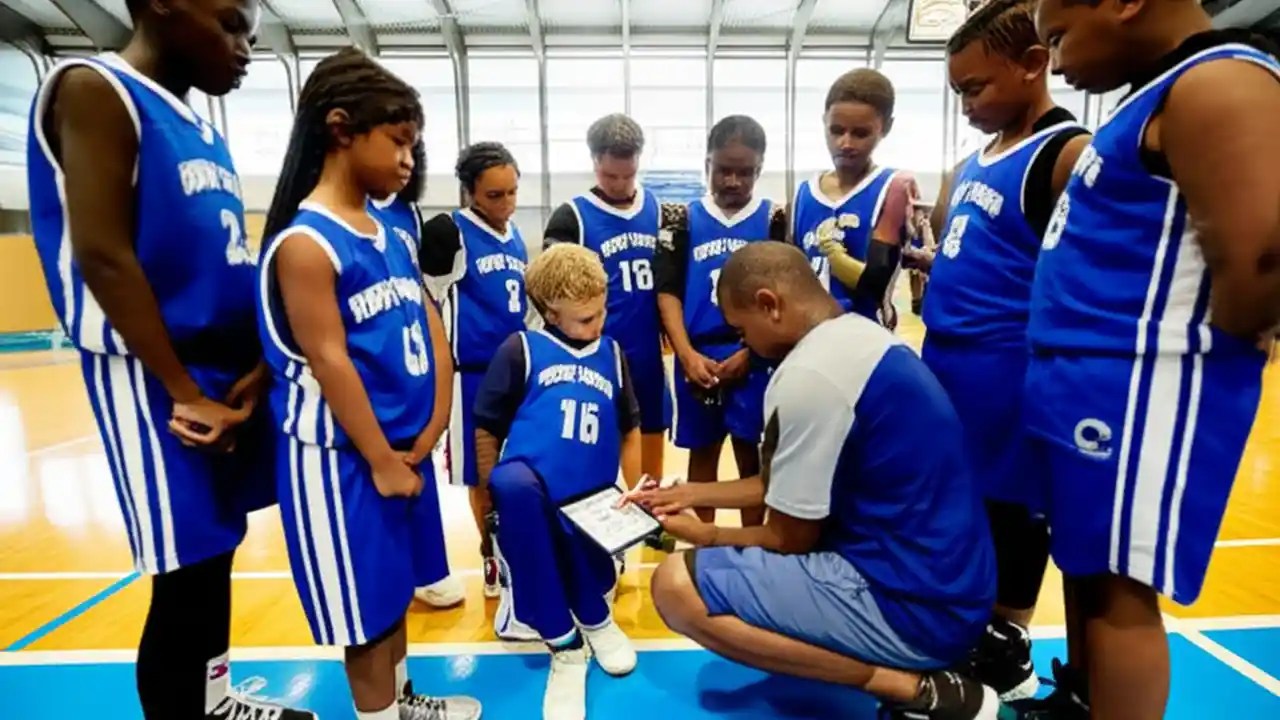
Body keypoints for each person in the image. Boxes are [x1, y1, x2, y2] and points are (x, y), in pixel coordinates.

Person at [25, 1, 311, 717]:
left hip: (218, 370)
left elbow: (223, 257)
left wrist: (253, 363)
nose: (245, 47)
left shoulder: (199, 124)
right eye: (228, 24)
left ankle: (212, 701)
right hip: (153, 374)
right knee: (181, 571)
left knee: (213, 554)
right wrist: (182, 387)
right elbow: (103, 254)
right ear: (159, 5)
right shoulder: (96, 87)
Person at [1024, 3, 1280, 719]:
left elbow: (1262, 255)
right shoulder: (1151, 96)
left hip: (1142, 386)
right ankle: (1081, 698)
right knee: (1085, 564)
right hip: (1090, 383)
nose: (1059, 61)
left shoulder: (1220, 82)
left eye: (1059, 36)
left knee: (1117, 587)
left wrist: (1206, 346)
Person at [631, 242, 1001, 720]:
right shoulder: (858, 337)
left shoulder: (808, 376)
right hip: (956, 588)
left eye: (743, 329)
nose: (745, 344)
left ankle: (912, 689)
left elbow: (788, 539)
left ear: (770, 304)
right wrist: (687, 493)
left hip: (916, 610)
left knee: (676, 585)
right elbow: (785, 481)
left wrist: (706, 534)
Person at [255, 47, 481, 720]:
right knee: (365, 617)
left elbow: (428, 321)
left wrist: (438, 414)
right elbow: (329, 361)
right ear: (340, 128)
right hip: (345, 465)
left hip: (403, 455)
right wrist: (381, 460)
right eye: (400, 141)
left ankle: (405, 702)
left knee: (394, 594)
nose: (410, 159)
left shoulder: (390, 231)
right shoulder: (307, 243)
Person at [913, 0, 1092, 704]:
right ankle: (967, 644)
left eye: (976, 88)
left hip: (1010, 372)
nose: (966, 105)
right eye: (958, 91)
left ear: (1033, 65)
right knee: (954, 511)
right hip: (945, 363)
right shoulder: (972, 161)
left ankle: (1006, 649)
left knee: (1013, 518)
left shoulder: (1067, 153)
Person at [473, 243, 641, 720]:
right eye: (585, 319)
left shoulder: (612, 353)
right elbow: (486, 426)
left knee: (578, 544)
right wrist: (490, 495)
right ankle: (565, 645)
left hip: (591, 505)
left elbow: (630, 428)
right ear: (550, 311)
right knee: (515, 486)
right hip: (532, 493)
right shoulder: (520, 349)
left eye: (602, 312)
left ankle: (594, 614)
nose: (598, 324)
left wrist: (635, 494)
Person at [418, 141, 536, 607]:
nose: (506, 204)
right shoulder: (452, 232)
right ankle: (491, 557)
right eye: (494, 196)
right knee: (482, 477)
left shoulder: (517, 237)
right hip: (471, 375)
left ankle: (519, 551)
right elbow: (428, 301)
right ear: (469, 192)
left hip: (517, 374)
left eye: (511, 192)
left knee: (519, 469)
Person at [655, 115, 786, 527]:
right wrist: (686, 354)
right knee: (703, 456)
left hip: (755, 357)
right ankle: (702, 551)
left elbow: (784, 298)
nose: (732, 181)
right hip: (698, 356)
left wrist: (751, 353)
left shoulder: (774, 220)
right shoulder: (681, 219)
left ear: (759, 170)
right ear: (707, 164)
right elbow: (668, 293)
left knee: (752, 458)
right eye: (723, 170)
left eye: (744, 172)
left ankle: (754, 553)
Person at [543, 113, 669, 482]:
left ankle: (653, 521)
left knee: (651, 445)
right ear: (594, 162)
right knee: (591, 450)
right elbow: (551, 289)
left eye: (628, 175)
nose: (619, 184)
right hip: (596, 354)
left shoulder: (658, 210)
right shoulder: (572, 217)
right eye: (609, 175)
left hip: (646, 353)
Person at [369, 140, 467, 612]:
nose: (405, 160)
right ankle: (383, 570)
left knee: (419, 463)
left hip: (415, 362)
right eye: (395, 146)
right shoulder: (337, 213)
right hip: (369, 362)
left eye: (412, 148)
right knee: (376, 471)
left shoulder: (408, 214)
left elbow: (426, 293)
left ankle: (428, 570)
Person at [792, 68, 918, 329]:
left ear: (886, 127)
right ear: (823, 121)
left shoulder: (894, 188)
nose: (845, 143)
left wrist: (835, 255)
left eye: (860, 133)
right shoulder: (804, 193)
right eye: (836, 130)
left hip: (866, 339)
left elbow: (874, 283)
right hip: (807, 341)